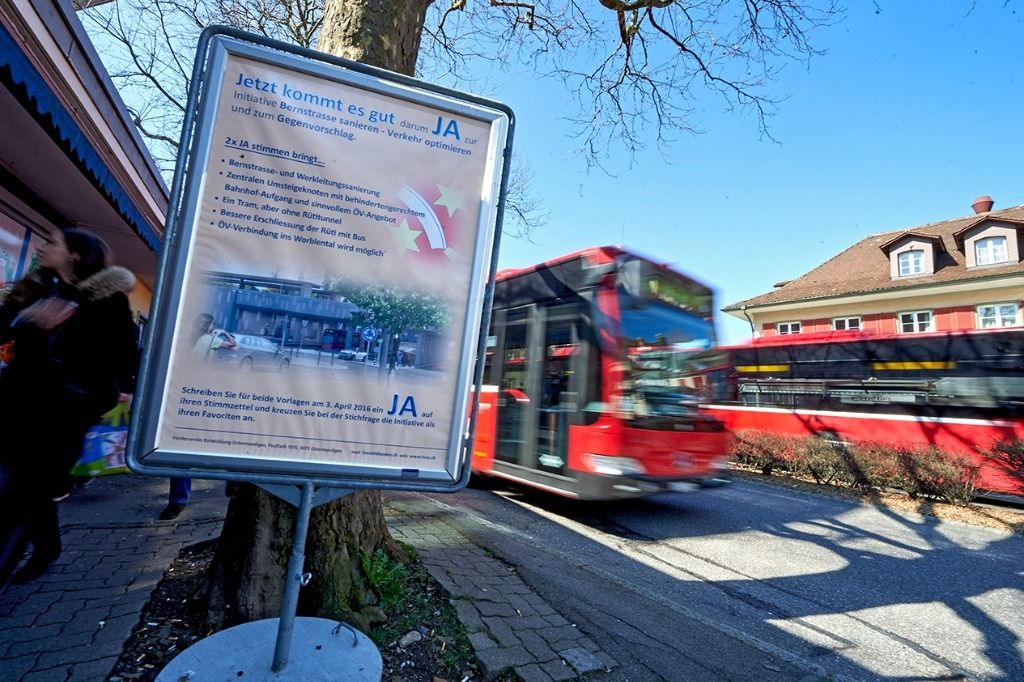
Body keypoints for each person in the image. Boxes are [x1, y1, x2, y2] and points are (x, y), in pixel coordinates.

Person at [0, 228, 137, 589]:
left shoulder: (107, 301)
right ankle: (48, 547)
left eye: (53, 243)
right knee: (28, 489)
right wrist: (27, 317)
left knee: (22, 495)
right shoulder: (36, 287)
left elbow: (122, 362)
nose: (44, 247)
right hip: (15, 404)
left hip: (62, 416)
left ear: (75, 255)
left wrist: (87, 404)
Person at [159, 312, 235, 521]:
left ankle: (178, 500)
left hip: (184, 395)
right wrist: (223, 332)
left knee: (181, 448)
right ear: (209, 325)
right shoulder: (210, 339)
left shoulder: (185, 338)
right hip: (204, 392)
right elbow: (234, 346)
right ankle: (233, 480)